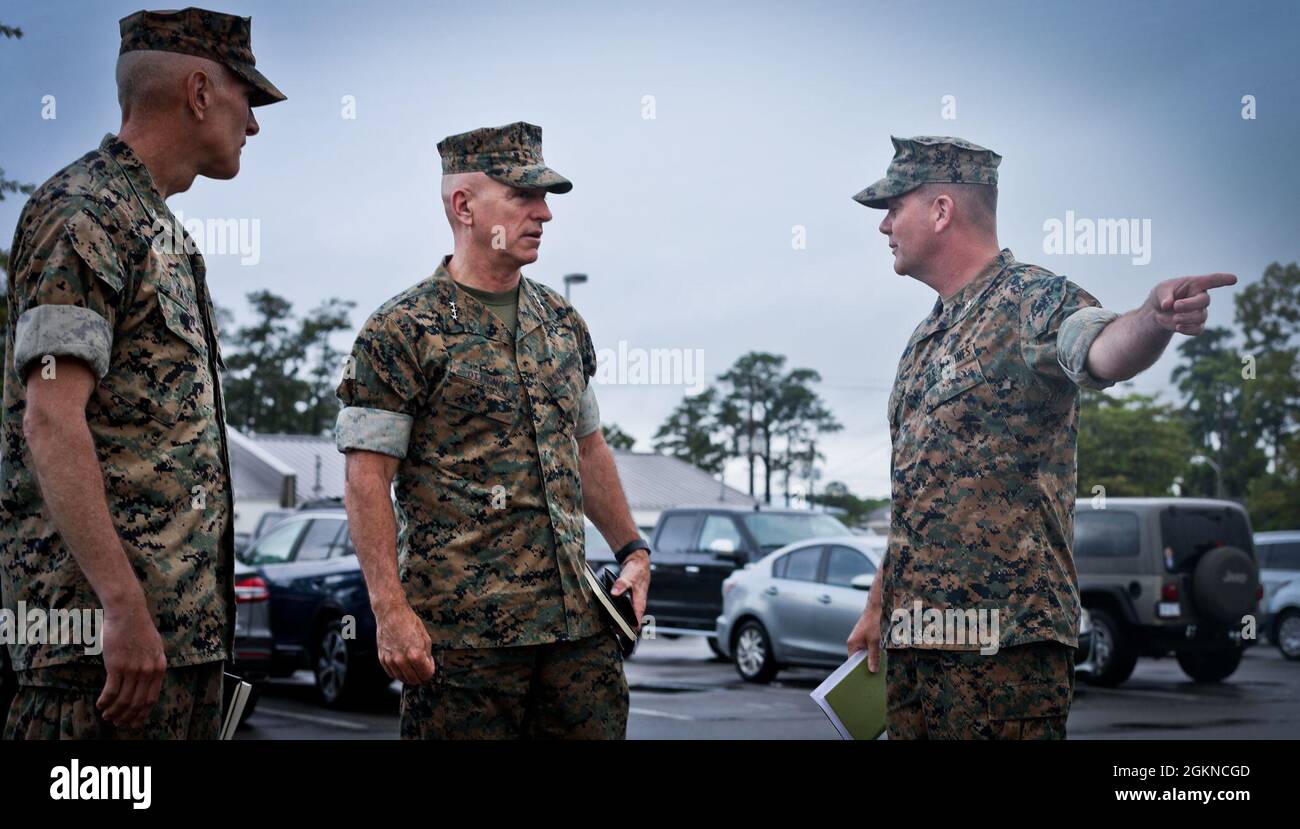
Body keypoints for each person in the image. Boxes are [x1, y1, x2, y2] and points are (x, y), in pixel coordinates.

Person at [844, 135, 1235, 739]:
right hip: (915, 645)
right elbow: (915, 500)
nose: (884, 225)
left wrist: (1153, 321)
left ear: (942, 211)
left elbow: (1100, 349)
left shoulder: (1033, 302)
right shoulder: (925, 340)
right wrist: (877, 606)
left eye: (894, 206)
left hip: (1004, 650)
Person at [1, 7, 284, 739]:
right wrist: (121, 606)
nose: (253, 124)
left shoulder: (160, 230)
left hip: (170, 651)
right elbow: (50, 418)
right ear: (198, 93)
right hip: (96, 660)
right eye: (246, 97)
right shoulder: (84, 211)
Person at [336, 121, 650, 739]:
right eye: (523, 196)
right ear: (464, 206)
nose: (545, 213)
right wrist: (389, 610)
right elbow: (366, 477)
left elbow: (587, 449)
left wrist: (633, 551)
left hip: (576, 636)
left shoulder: (560, 321)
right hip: (463, 644)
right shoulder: (402, 330)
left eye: (546, 197)